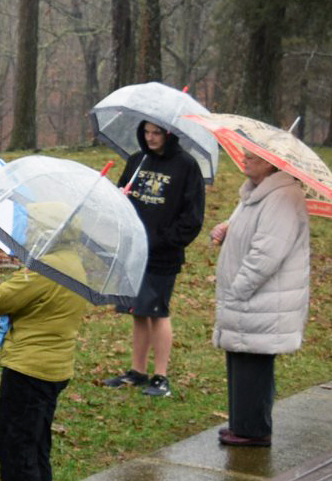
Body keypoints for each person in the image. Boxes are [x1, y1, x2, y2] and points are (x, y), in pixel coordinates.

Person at [0, 251, 90, 481]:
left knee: (18, 453)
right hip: (54, 367)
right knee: (37, 452)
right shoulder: (74, 263)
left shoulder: (46, 267)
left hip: (29, 369)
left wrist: (20, 274)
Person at [211, 153, 311, 449]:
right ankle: (242, 424)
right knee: (242, 359)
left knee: (253, 363)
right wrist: (226, 229)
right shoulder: (255, 194)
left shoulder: (282, 197)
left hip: (262, 298)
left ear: (270, 162)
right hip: (250, 298)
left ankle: (253, 430)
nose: (245, 158)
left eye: (253, 156)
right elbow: (249, 231)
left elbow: (266, 254)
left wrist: (238, 290)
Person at [101, 121, 206, 398]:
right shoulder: (138, 160)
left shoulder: (186, 166)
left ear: (168, 134)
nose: (150, 138)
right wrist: (119, 197)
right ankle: (137, 371)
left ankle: (161, 376)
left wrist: (165, 240)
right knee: (137, 310)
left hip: (163, 253)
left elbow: (192, 217)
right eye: (146, 133)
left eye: (156, 133)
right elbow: (121, 197)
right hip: (134, 250)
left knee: (157, 311)